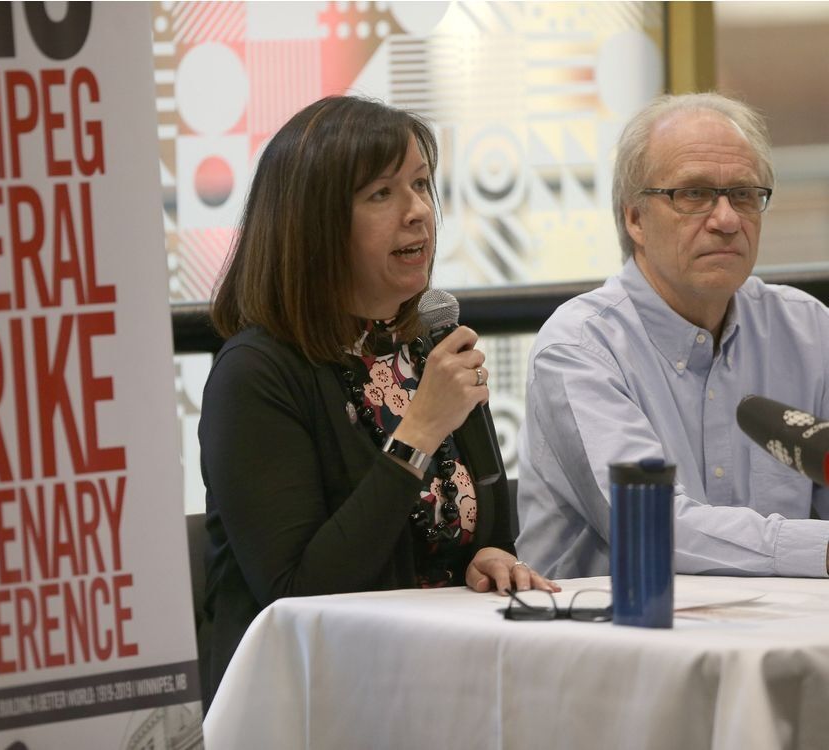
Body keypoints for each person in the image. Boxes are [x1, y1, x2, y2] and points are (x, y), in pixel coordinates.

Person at [197, 96, 557, 707]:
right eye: (381, 194)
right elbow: (299, 591)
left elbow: (485, 526)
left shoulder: (429, 345)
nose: (418, 212)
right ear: (313, 226)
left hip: (444, 676)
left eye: (420, 184)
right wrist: (418, 431)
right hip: (315, 702)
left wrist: (489, 555)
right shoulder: (256, 375)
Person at [516, 92, 829, 579]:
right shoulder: (581, 348)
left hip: (779, 636)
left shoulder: (809, 330)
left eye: (744, 194)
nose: (727, 220)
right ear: (634, 218)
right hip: (616, 640)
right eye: (694, 194)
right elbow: (652, 529)